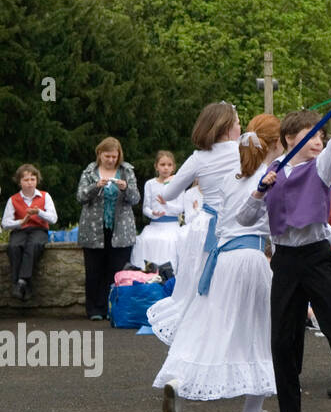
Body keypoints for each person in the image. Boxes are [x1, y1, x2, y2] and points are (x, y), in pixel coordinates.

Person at [237, 79, 331, 412]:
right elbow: (245, 218)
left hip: (316, 258)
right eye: (313, 135)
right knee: (283, 340)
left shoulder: (322, 167)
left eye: (321, 136)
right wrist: (259, 190)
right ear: (291, 137)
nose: (319, 141)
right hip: (285, 262)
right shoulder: (272, 172)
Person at [154, 115, 281, 412]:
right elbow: (275, 225)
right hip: (250, 258)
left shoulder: (230, 179)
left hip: (219, 257)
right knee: (263, 329)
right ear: (275, 145)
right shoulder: (271, 178)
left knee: (210, 323)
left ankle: (179, 380)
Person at [147, 103, 241, 344]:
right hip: (238, 226)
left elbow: (172, 190)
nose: (240, 126)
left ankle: (198, 335)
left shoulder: (198, 157)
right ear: (228, 126)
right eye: (238, 122)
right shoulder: (244, 151)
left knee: (200, 284)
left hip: (206, 227)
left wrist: (164, 195)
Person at [75, 137, 140, 320]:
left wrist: (126, 188)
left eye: (114, 156)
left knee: (117, 270)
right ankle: (95, 309)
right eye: (107, 156)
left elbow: (135, 199)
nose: (111, 159)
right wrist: (96, 186)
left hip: (121, 230)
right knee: (94, 270)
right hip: (94, 229)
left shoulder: (126, 171)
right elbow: (80, 197)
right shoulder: (90, 172)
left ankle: (115, 310)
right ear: (99, 154)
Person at [5, 164, 56, 302]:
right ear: (19, 181)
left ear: (37, 180)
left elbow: (53, 219)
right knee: (14, 247)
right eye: (26, 180)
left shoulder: (45, 196)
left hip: (39, 230)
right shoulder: (13, 199)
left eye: (32, 179)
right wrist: (21, 222)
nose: (29, 182)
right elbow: (5, 223)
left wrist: (39, 212)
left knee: (33, 245)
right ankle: (25, 286)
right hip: (20, 229)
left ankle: (19, 282)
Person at [131, 151, 185, 272]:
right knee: (144, 241)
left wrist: (166, 204)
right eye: (162, 164)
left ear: (174, 167)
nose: (166, 168)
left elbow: (181, 208)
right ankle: (146, 272)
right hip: (155, 225)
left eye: (169, 165)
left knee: (168, 243)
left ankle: (168, 274)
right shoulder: (150, 184)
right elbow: (146, 207)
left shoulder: (178, 184)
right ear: (156, 166)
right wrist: (152, 214)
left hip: (172, 226)